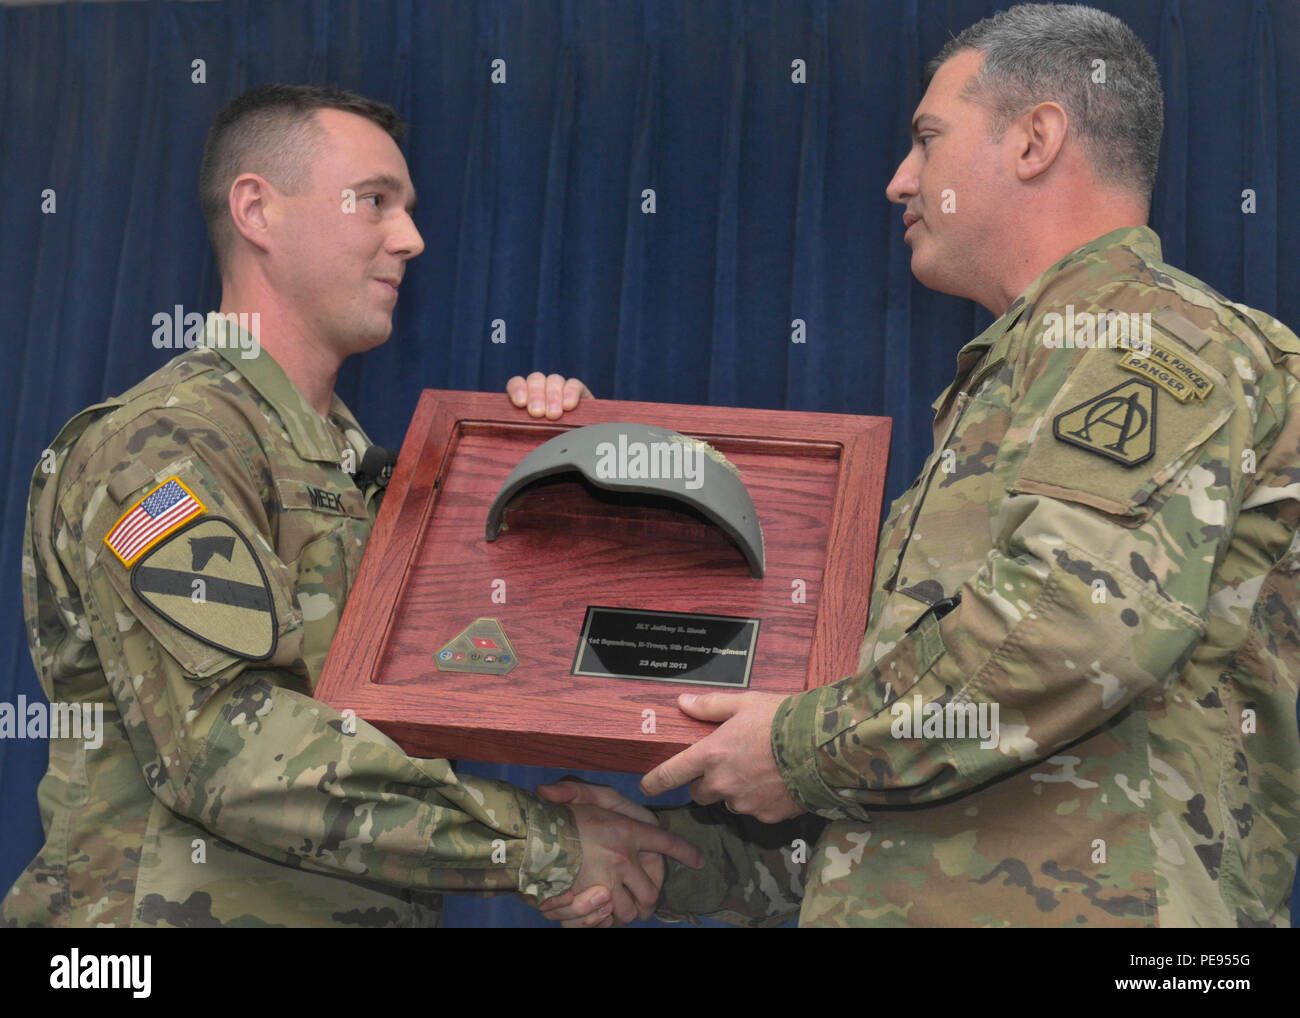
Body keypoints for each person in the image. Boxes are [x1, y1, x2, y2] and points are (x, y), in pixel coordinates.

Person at [542, 2, 1300, 927]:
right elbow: (922, 776)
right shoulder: (1020, 378)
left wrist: (796, 748)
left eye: (927, 139)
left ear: (1035, 141)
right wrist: (669, 860)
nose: (900, 181)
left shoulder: (1151, 341)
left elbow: (1063, 637)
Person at [3, 84, 700, 928]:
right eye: (375, 201)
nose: (411, 239)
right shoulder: (165, 448)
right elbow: (227, 749)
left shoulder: (366, 474)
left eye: (407, 209)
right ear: (257, 210)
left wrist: (543, 473)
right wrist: (545, 843)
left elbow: (493, 665)